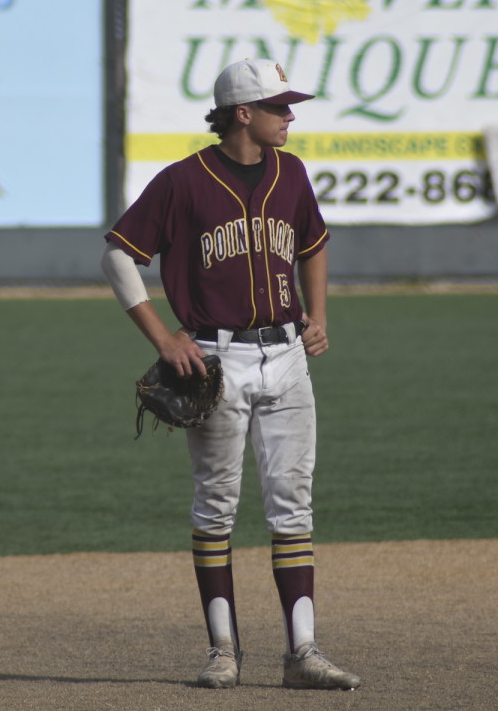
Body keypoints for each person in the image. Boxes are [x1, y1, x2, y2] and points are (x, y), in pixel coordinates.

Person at [100, 58, 361, 690]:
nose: (290, 116)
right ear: (243, 113)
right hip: (217, 361)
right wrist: (163, 337)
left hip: (288, 358)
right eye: (279, 107)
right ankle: (223, 651)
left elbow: (313, 243)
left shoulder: (291, 174)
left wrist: (317, 314)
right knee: (217, 506)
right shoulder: (183, 182)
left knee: (292, 505)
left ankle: (303, 653)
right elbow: (118, 254)